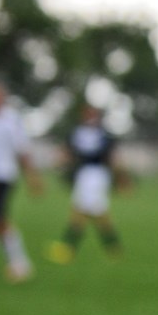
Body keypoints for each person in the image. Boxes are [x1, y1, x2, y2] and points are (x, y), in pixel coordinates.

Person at [48, 104, 128, 264]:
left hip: (97, 175)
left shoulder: (104, 136)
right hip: (83, 175)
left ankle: (68, 248)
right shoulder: (78, 133)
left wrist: (121, 177)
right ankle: (112, 246)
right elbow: (68, 151)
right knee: (92, 213)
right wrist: (60, 161)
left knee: (84, 212)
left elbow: (113, 158)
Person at [0, 80, 44, 284]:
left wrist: (32, 176)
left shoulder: (12, 120)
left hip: (3, 175)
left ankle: (20, 262)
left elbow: (23, 150)